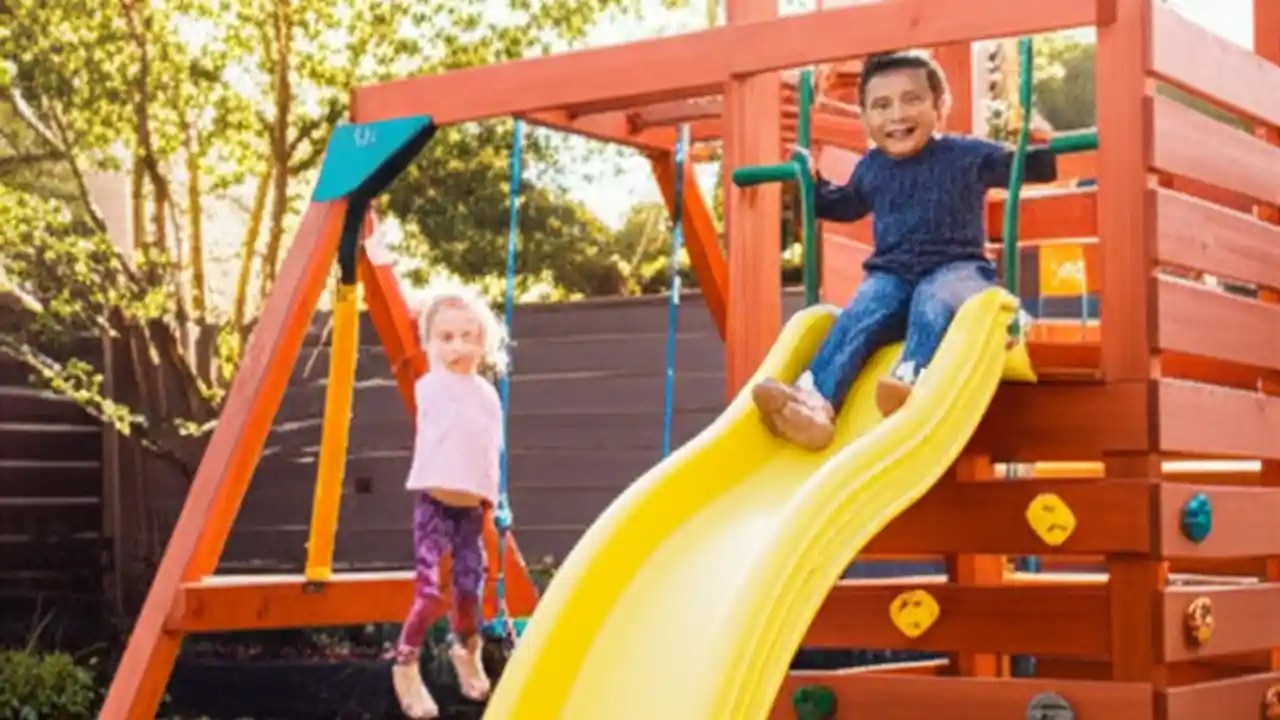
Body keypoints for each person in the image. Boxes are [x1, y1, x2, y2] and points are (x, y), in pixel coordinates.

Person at [753, 49, 1057, 451]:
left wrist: (1041, 151)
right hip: (895, 276)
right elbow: (845, 204)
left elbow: (1024, 168)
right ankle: (816, 401)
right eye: (881, 105)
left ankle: (911, 379)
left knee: (934, 295)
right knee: (866, 305)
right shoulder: (873, 167)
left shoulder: (966, 155)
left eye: (912, 99)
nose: (897, 114)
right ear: (865, 119)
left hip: (960, 272)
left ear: (940, 106)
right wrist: (811, 187)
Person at [390, 280, 509, 719]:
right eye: (446, 337)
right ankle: (405, 663)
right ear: (430, 344)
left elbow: (490, 452)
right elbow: (411, 322)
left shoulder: (488, 396)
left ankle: (467, 651)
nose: (457, 345)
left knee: (468, 592)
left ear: (484, 343)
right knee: (430, 592)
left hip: (470, 509)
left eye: (468, 336)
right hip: (434, 504)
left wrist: (495, 500)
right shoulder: (431, 385)